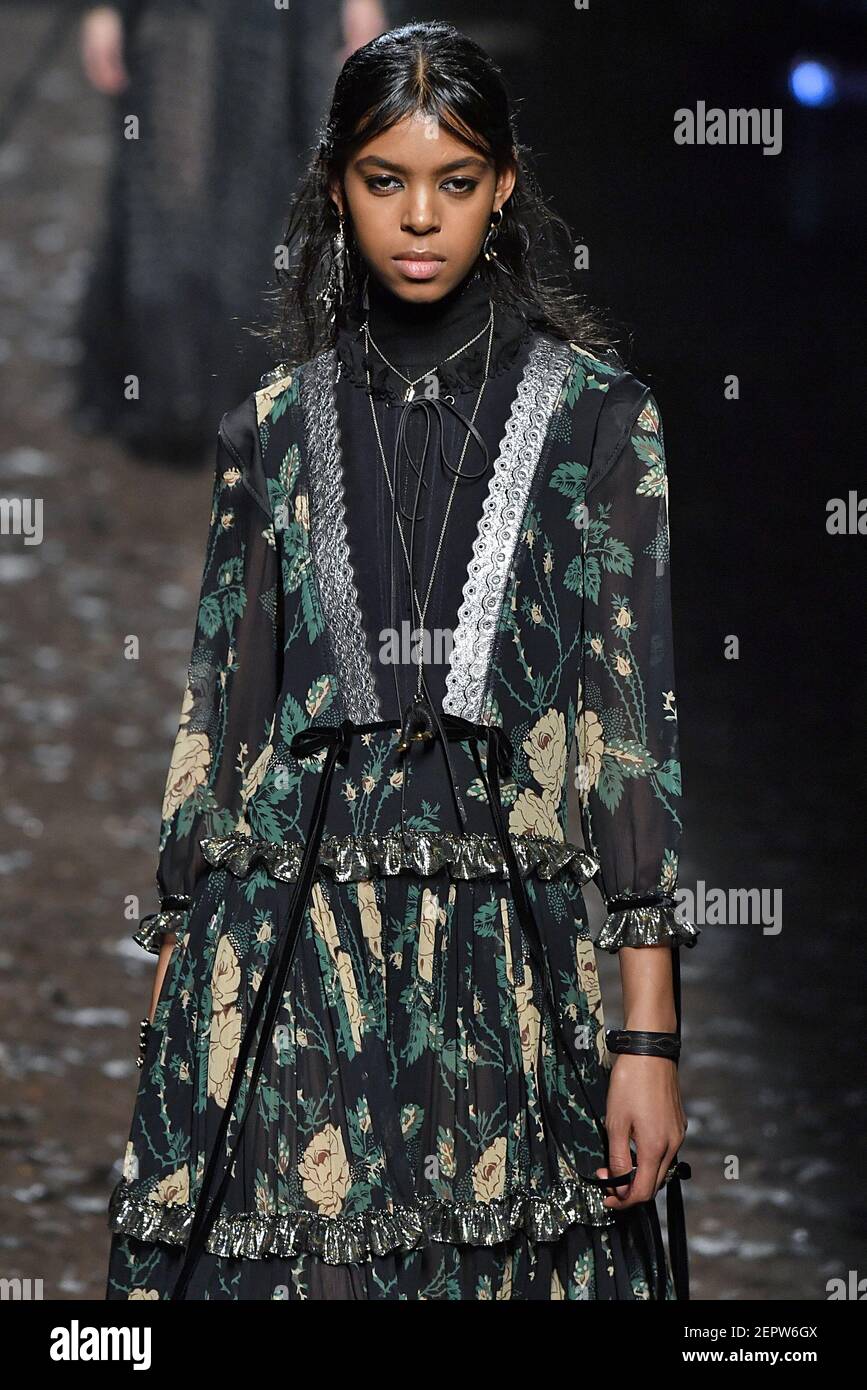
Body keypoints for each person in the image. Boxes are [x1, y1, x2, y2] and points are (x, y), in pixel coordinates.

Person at [105, 19, 699, 1301]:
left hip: (506, 975)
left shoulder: (601, 423)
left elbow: (627, 728)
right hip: (279, 953)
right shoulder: (268, 428)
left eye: (454, 181)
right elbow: (222, 710)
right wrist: (173, 988)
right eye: (386, 182)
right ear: (338, 188)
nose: (418, 218)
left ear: (504, 190)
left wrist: (646, 1032)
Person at [75, 0, 387, 462]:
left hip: (296, 22)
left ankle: (253, 402)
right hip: (184, 18)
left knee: (298, 186)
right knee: (173, 202)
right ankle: (177, 402)